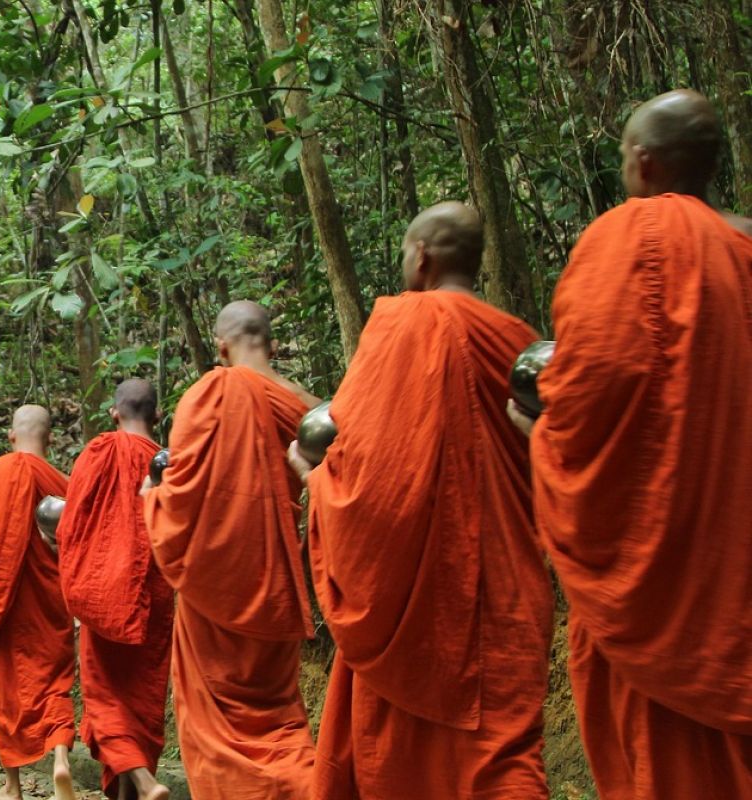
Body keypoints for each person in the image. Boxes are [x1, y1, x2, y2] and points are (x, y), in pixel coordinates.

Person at [511, 90, 752, 799]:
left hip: (660, 569)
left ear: (643, 162)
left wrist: (543, 438)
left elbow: (588, 396)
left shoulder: (629, 242)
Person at [287, 203, 553, 798]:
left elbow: (371, 481)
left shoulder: (402, 328)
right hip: (507, 592)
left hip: (417, 601)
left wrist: (316, 481)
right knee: (504, 757)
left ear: (422, 256)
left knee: (397, 755)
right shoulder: (518, 341)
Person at [143, 303, 318, 798]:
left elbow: (181, 494)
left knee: (218, 728)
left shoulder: (208, 393)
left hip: (211, 589)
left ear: (220, 348)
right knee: (279, 716)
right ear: (275, 345)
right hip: (279, 583)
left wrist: (151, 500)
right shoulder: (307, 405)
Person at [61, 380, 171, 800]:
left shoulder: (98, 452)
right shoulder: (167, 462)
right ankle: (131, 790)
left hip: (102, 590)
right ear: (158, 417)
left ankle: (144, 782)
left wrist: (76, 581)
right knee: (142, 696)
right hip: (154, 595)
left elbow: (73, 523)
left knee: (105, 696)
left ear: (113, 413)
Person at [0, 405, 75, 800]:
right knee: (54, 685)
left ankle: (12, 786)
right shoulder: (63, 482)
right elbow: (77, 545)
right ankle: (60, 758)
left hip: (2, 607)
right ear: (52, 438)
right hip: (48, 605)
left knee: (6, 692)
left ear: (11, 436)